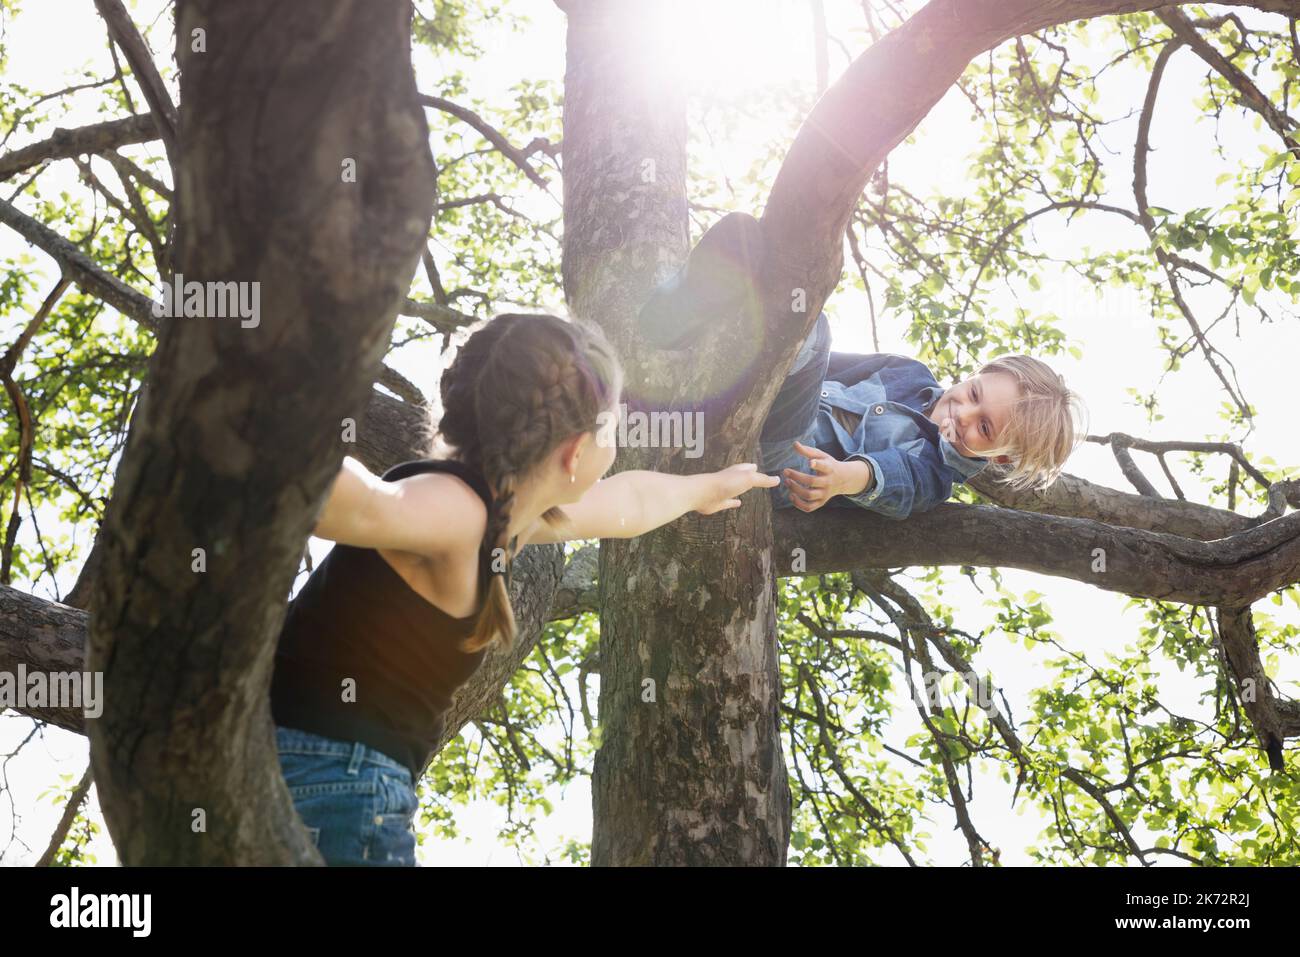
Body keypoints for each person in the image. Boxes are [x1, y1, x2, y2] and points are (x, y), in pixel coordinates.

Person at [272, 312, 778, 865]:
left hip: (332, 779)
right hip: (337, 785)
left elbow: (628, 504)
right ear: (575, 453)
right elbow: (363, 506)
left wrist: (707, 488)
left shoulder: (500, 519)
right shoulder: (459, 511)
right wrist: (255, 422)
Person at [637, 212, 1088, 517]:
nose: (963, 414)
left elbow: (898, 480)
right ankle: (683, 311)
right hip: (772, 402)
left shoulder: (936, 473)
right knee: (798, 321)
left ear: (1000, 456)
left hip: (785, 463)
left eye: (984, 428)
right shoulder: (908, 373)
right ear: (976, 375)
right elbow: (823, 369)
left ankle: (710, 315)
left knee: (813, 327)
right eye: (973, 395)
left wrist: (845, 478)